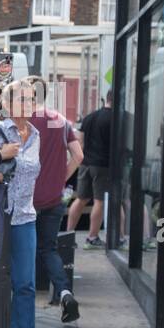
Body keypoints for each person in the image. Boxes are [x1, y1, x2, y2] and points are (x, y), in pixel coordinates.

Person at [0, 79, 48, 328]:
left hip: (26, 215)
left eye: (31, 100)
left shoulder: (37, 134)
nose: (27, 105)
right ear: (5, 103)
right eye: (21, 99)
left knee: (26, 281)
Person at [25, 77, 82, 322]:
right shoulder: (60, 120)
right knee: (49, 249)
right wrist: (60, 180)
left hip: (24, 199)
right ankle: (65, 292)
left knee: (21, 251)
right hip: (53, 199)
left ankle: (21, 309)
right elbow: (79, 155)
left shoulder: (20, 120)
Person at [67, 89, 112, 248]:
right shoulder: (116, 118)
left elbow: (79, 140)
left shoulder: (90, 117)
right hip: (103, 166)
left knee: (81, 199)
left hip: (85, 164)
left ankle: (68, 235)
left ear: (105, 99)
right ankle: (92, 238)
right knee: (99, 201)